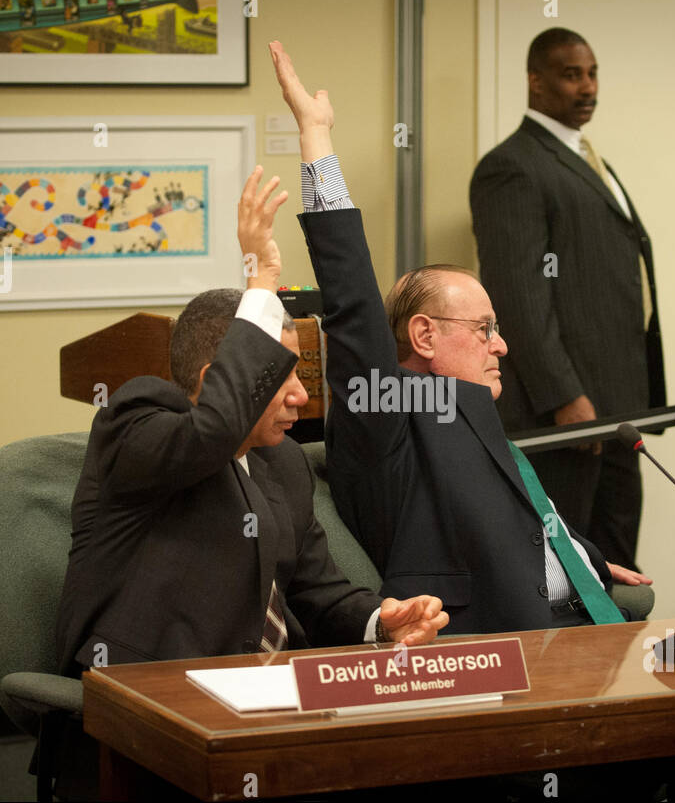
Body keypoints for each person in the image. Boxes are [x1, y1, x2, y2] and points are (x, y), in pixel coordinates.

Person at [270, 41, 652, 636]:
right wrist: (316, 139)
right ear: (422, 335)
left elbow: (505, 517)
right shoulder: (389, 411)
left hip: (580, 618)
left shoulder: (468, 410)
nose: (501, 346)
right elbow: (353, 304)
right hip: (496, 645)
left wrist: (582, 560)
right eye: (484, 330)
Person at [55, 167, 446, 679]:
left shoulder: (281, 461)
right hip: (147, 696)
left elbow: (315, 591)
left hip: (273, 696)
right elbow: (213, 431)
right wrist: (261, 282)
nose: (302, 397)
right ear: (219, 377)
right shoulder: (135, 421)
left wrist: (382, 621)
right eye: (281, 378)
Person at [468, 27, 664, 571]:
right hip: (565, 415)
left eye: (592, 73)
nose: (586, 86)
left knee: (622, 570)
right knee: (568, 573)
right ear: (536, 80)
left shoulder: (586, 157)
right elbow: (517, 295)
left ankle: (624, 660)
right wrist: (564, 396)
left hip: (616, 410)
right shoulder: (511, 166)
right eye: (571, 74)